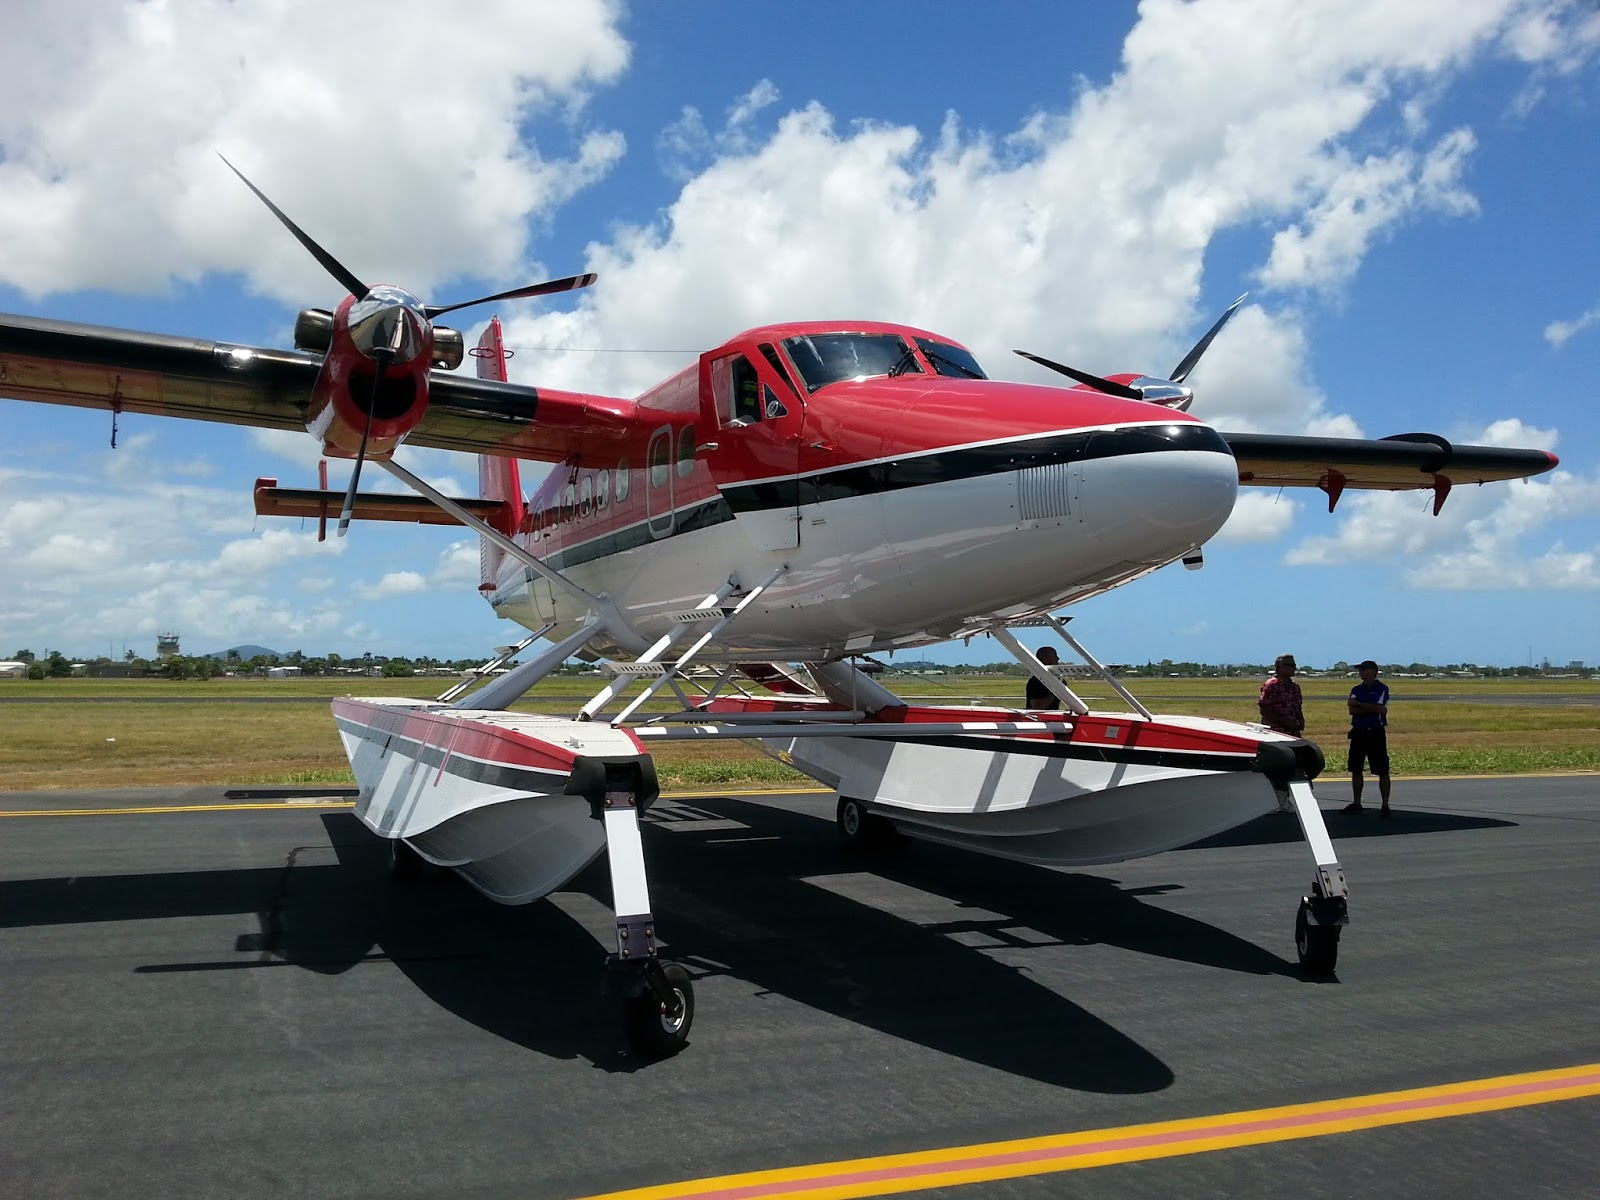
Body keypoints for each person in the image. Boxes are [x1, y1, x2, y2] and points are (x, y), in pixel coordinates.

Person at [1344, 659, 1392, 817]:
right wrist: (1368, 708)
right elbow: (1352, 710)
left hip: (1375, 732)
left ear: (1373, 671)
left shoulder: (1382, 688)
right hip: (1359, 731)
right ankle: (1356, 802)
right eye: (1360, 670)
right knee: (1356, 768)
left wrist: (1360, 705)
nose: (1361, 672)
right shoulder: (1356, 689)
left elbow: (1380, 708)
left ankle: (1385, 804)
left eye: (1364, 669)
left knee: (1382, 770)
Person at [1257, 654, 1305, 736]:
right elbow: (1265, 709)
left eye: (1294, 666)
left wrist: (1300, 721)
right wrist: (1284, 722)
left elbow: (1298, 708)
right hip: (1275, 733)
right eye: (1290, 665)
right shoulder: (1271, 685)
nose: (1294, 668)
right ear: (1280, 667)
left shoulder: (1295, 687)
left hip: (1293, 733)